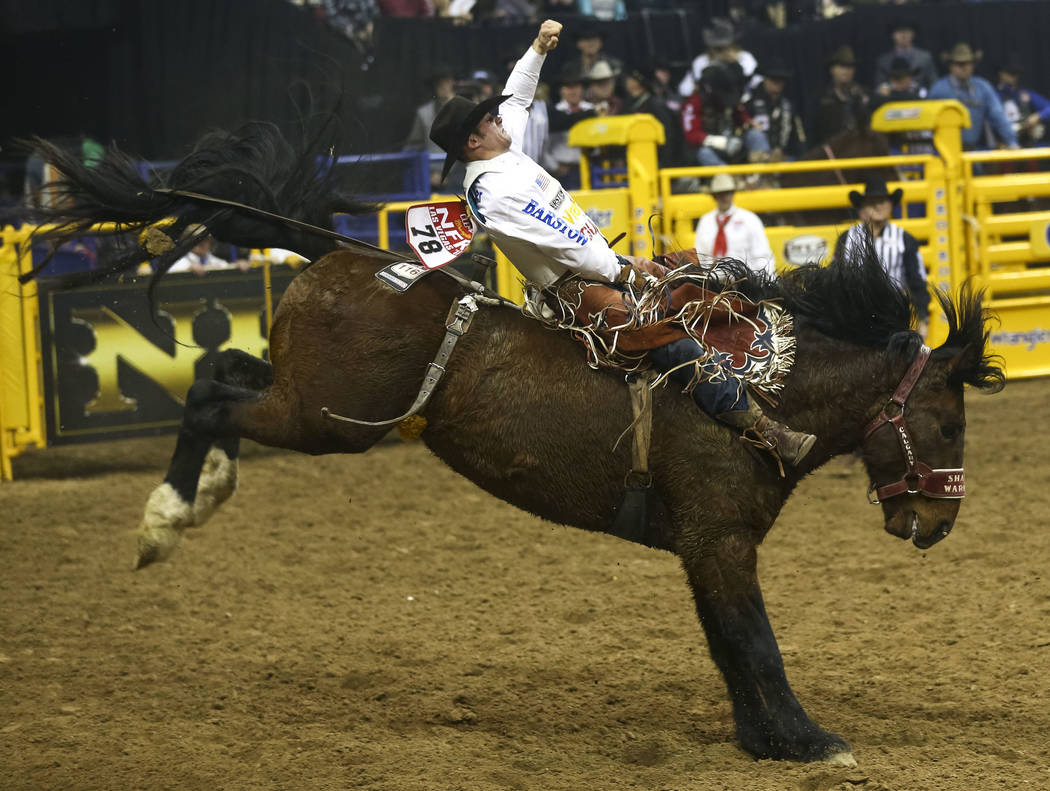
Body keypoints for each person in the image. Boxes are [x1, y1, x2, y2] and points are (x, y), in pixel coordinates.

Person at [428, 19, 816, 467]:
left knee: (692, 280)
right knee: (668, 338)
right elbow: (563, 242)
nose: (499, 117)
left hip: (596, 263)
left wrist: (538, 48)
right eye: (489, 119)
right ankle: (763, 430)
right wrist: (622, 270)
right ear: (474, 140)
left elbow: (515, 98)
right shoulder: (493, 194)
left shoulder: (501, 152)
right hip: (577, 289)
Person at [834, 179, 929, 334]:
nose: (877, 206)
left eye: (882, 201)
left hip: (893, 314)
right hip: (855, 315)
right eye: (871, 202)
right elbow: (836, 278)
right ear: (862, 208)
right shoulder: (847, 238)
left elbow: (916, 281)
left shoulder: (904, 239)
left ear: (890, 206)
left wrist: (923, 317)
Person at [929, 43, 1017, 151]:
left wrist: (1012, 142)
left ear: (973, 65)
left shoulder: (983, 87)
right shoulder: (939, 90)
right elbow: (929, 122)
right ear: (951, 66)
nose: (964, 68)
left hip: (973, 149)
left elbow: (998, 116)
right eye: (959, 64)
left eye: (968, 63)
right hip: (944, 150)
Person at [682, 61, 770, 166]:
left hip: (734, 143)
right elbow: (691, 135)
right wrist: (722, 142)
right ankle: (726, 176)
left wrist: (748, 123)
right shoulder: (694, 102)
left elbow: (741, 116)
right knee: (704, 153)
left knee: (755, 135)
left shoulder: (730, 95)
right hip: (712, 148)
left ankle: (762, 170)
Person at [694, 173, 776, 277]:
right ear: (714, 196)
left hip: (744, 279)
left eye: (727, 193)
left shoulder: (749, 219)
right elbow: (700, 256)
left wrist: (763, 280)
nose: (724, 197)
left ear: (733, 194)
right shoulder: (705, 221)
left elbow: (762, 256)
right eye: (720, 194)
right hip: (713, 279)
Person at [677, 18, 760, 100]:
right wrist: (696, 88)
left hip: (741, 103)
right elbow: (684, 89)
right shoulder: (702, 61)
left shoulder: (745, 58)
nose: (722, 52)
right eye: (717, 48)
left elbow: (757, 82)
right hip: (711, 103)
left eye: (724, 48)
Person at [403, 66, 458, 187]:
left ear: (454, 83)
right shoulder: (424, 113)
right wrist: (429, 173)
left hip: (464, 177)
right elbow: (412, 148)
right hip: (433, 179)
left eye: (447, 82)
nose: (443, 86)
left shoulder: (470, 109)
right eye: (439, 83)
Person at [745, 57, 806, 161]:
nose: (777, 84)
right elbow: (743, 131)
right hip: (757, 158)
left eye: (781, 80)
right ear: (765, 79)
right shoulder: (750, 104)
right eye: (773, 79)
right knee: (755, 135)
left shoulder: (788, 106)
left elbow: (798, 136)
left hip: (784, 156)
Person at [813, 45, 870, 145]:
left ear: (854, 70)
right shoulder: (820, 98)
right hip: (830, 150)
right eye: (841, 66)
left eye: (849, 67)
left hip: (859, 149)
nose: (845, 71)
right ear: (832, 70)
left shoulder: (863, 95)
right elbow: (813, 131)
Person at [995, 56, 1050, 147]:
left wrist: (1038, 116)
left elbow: (1048, 107)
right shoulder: (994, 96)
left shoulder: (1025, 94)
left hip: (1027, 142)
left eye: (1016, 73)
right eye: (1010, 73)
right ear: (1001, 73)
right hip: (1004, 144)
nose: (1014, 77)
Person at [873, 19, 936, 93]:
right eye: (899, 32)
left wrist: (922, 92)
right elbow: (879, 85)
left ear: (913, 34)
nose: (903, 35)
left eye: (907, 32)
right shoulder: (883, 60)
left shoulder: (925, 58)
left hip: (919, 97)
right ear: (892, 35)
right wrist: (886, 88)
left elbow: (934, 83)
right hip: (892, 97)